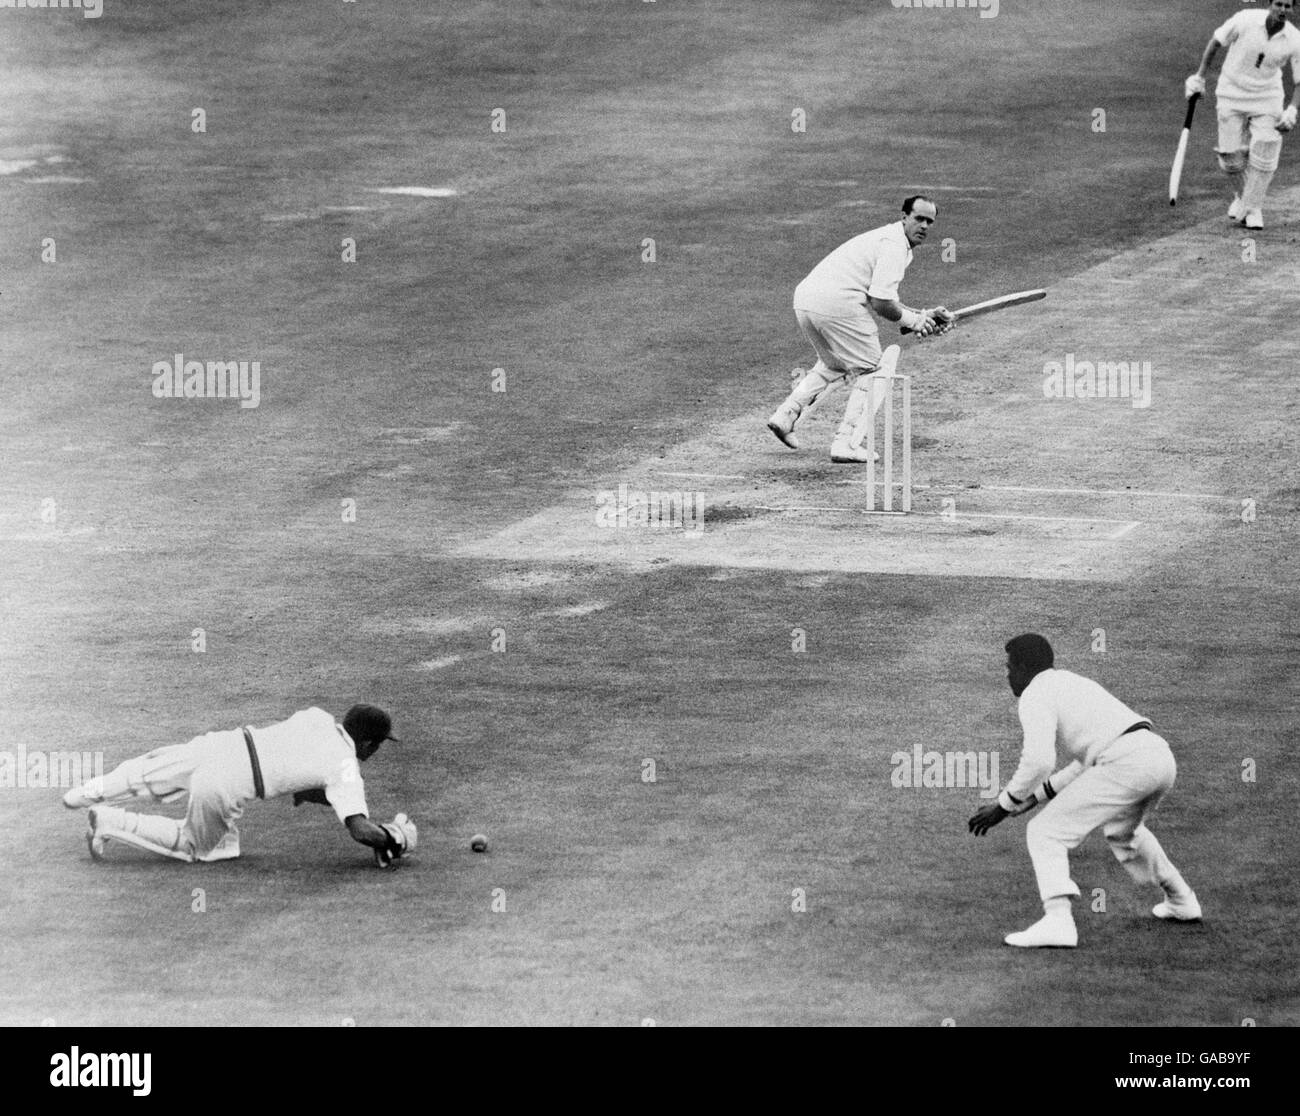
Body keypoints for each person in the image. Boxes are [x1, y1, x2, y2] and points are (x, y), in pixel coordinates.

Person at [968, 634, 1201, 948]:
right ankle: (1181, 900)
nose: (1008, 675)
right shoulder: (1071, 682)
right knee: (1122, 831)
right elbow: (1089, 760)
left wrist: (1003, 805)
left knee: (1045, 831)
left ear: (1024, 668)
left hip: (1127, 762)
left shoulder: (1034, 694)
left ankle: (1058, 920)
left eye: (1010, 667)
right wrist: (1035, 797)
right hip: (1158, 757)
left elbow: (1039, 761)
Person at [62, 704, 416, 867]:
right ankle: (111, 821)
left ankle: (90, 790)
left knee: (151, 770)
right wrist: (391, 838)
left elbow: (301, 772)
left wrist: (314, 794)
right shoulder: (345, 768)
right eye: (380, 744)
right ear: (369, 744)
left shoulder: (318, 718)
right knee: (195, 846)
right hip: (228, 783)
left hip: (223, 744)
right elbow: (359, 831)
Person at [766, 196, 953, 463]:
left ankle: (785, 416)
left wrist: (921, 316)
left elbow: (884, 298)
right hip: (838, 304)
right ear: (904, 217)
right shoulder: (895, 246)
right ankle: (847, 442)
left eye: (929, 221)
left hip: (806, 300)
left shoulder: (888, 240)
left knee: (834, 364)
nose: (923, 225)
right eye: (918, 218)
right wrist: (914, 322)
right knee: (875, 371)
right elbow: (881, 303)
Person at [1185, 0, 1300, 230]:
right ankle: (1244, 199)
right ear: (1270, 4)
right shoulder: (1245, 19)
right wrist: (1199, 77)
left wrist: (1293, 109)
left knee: (1267, 145)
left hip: (1267, 96)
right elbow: (1216, 42)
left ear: (1294, 9)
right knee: (1229, 157)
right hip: (1231, 92)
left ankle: (1252, 208)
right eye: (1279, 4)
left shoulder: (1295, 38)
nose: (1282, 10)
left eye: (1288, 6)